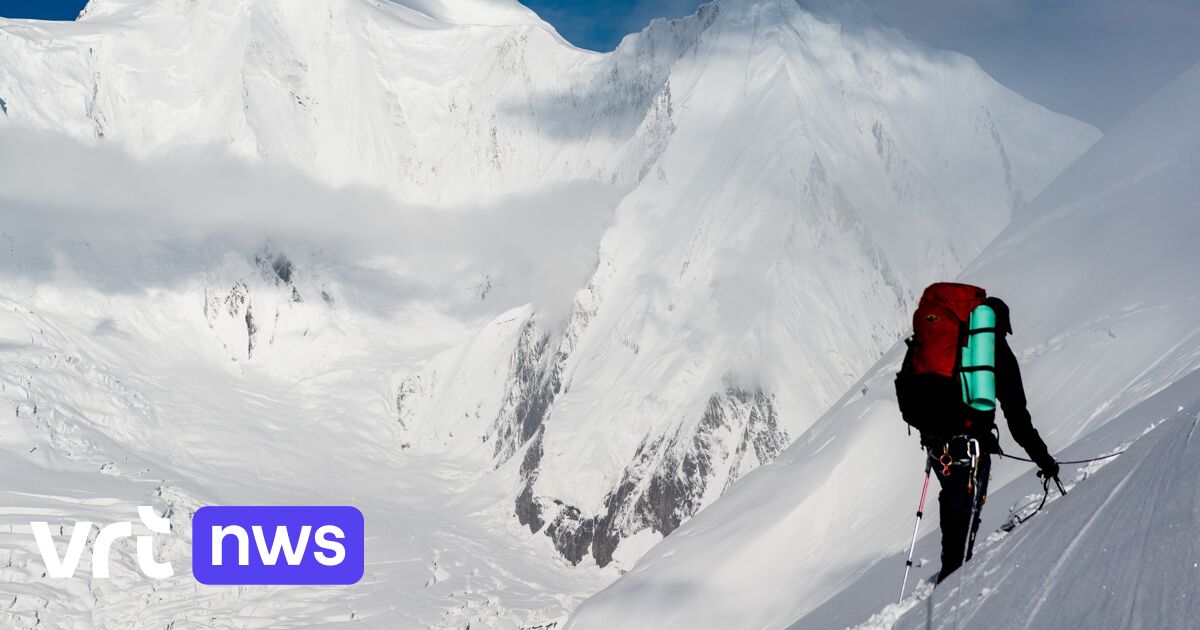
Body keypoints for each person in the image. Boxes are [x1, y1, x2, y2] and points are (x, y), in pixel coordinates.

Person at [895, 283, 1059, 583]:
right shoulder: (993, 348)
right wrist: (1045, 461)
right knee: (965, 511)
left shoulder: (948, 339)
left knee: (952, 497)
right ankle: (953, 577)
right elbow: (1018, 418)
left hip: (934, 441)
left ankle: (951, 564)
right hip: (969, 447)